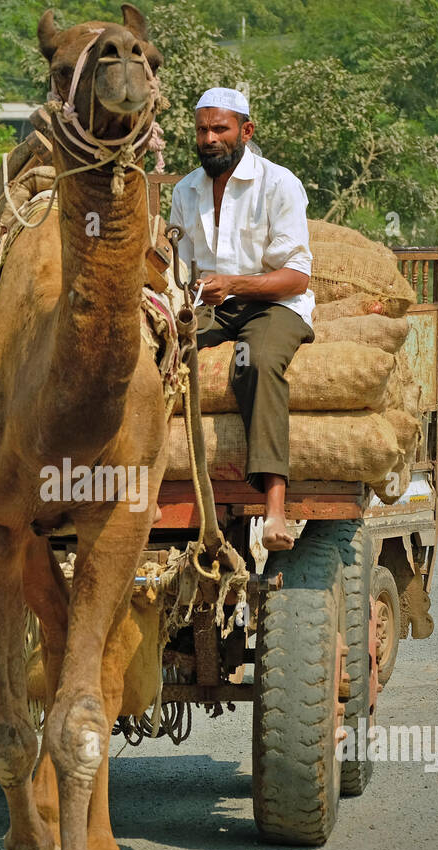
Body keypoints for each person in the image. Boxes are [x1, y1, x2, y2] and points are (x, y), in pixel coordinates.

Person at [168, 87, 315, 551]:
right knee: (157, 357)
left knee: (256, 362)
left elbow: (295, 278)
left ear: (245, 132)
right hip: (210, 305)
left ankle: (274, 508)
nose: (209, 139)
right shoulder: (185, 190)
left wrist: (233, 284)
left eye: (219, 129)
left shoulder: (279, 184)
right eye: (201, 130)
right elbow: (180, 269)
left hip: (273, 305)